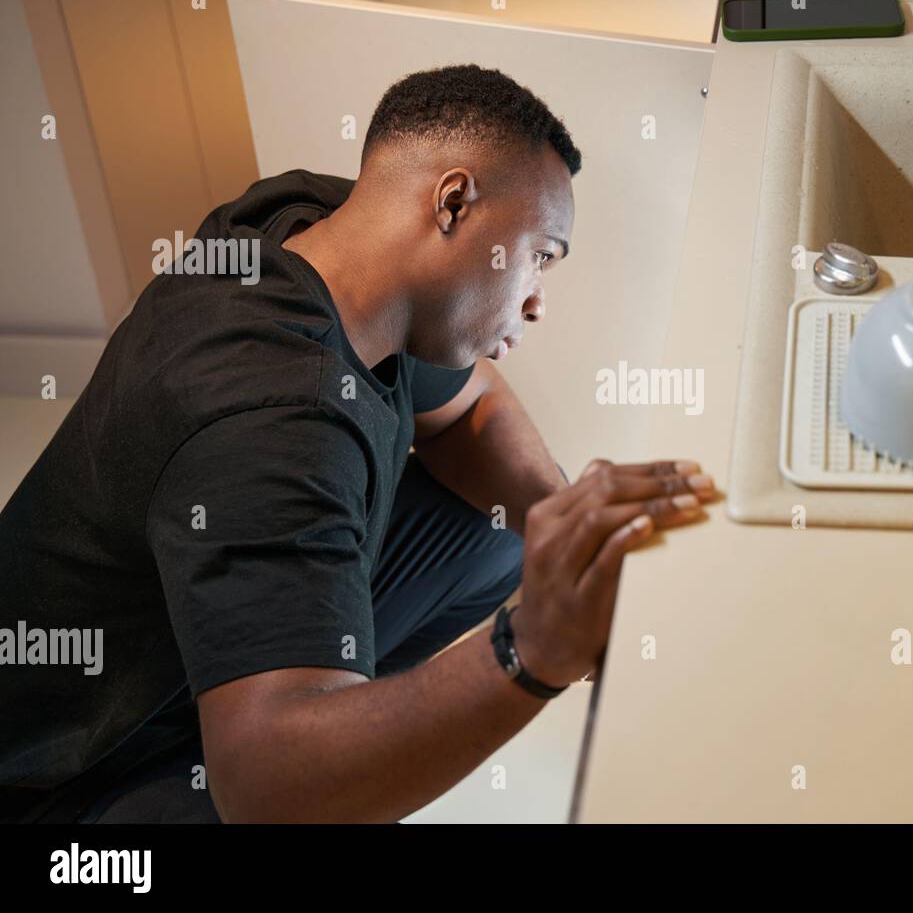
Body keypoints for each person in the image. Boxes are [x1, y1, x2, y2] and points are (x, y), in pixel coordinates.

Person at [0, 64, 714, 822]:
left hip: (182, 649)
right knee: (295, 795)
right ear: (453, 202)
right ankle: (314, 732)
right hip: (68, 776)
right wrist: (531, 651)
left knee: (501, 530)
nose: (538, 301)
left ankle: (321, 710)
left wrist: (569, 529)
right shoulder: (270, 419)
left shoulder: (323, 228)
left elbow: (473, 405)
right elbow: (269, 793)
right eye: (540, 255)